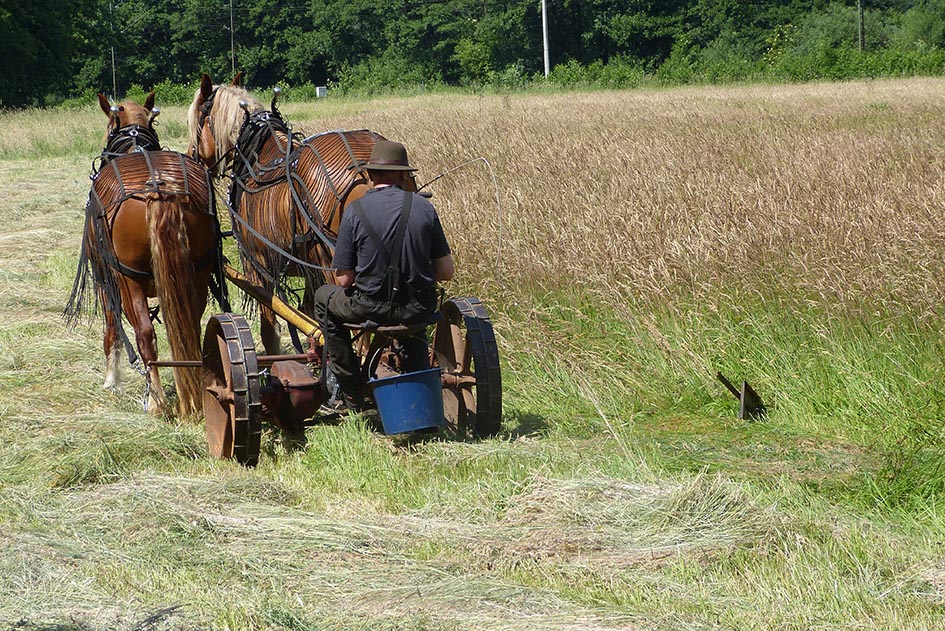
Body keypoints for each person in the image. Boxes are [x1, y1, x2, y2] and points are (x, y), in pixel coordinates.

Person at [314, 139, 454, 410]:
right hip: (418, 308)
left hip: (369, 309)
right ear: (404, 175)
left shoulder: (355, 211)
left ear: (369, 175)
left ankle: (352, 387)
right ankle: (418, 384)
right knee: (413, 322)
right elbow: (445, 272)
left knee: (323, 298)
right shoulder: (425, 208)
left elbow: (343, 280)